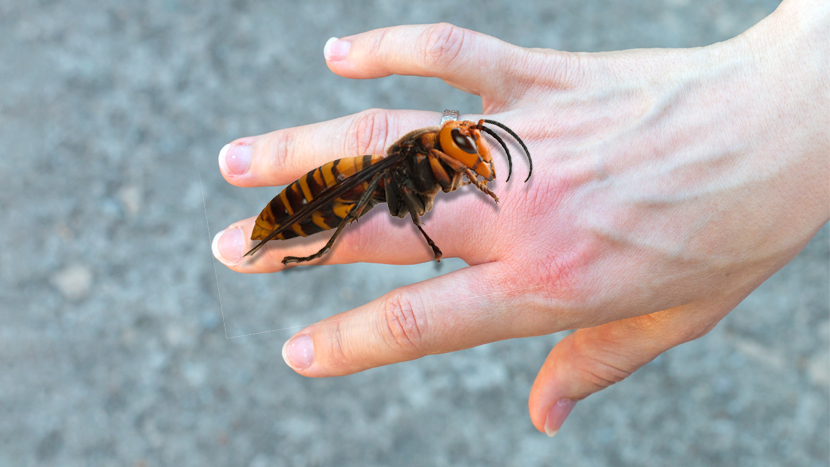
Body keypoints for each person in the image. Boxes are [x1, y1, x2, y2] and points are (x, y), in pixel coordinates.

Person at [212, 0, 828, 437]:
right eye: (465, 150)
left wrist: (801, 96)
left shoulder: (445, 156)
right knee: (347, 205)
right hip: (335, 192)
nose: (476, 156)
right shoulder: (410, 167)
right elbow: (395, 186)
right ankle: (308, 245)